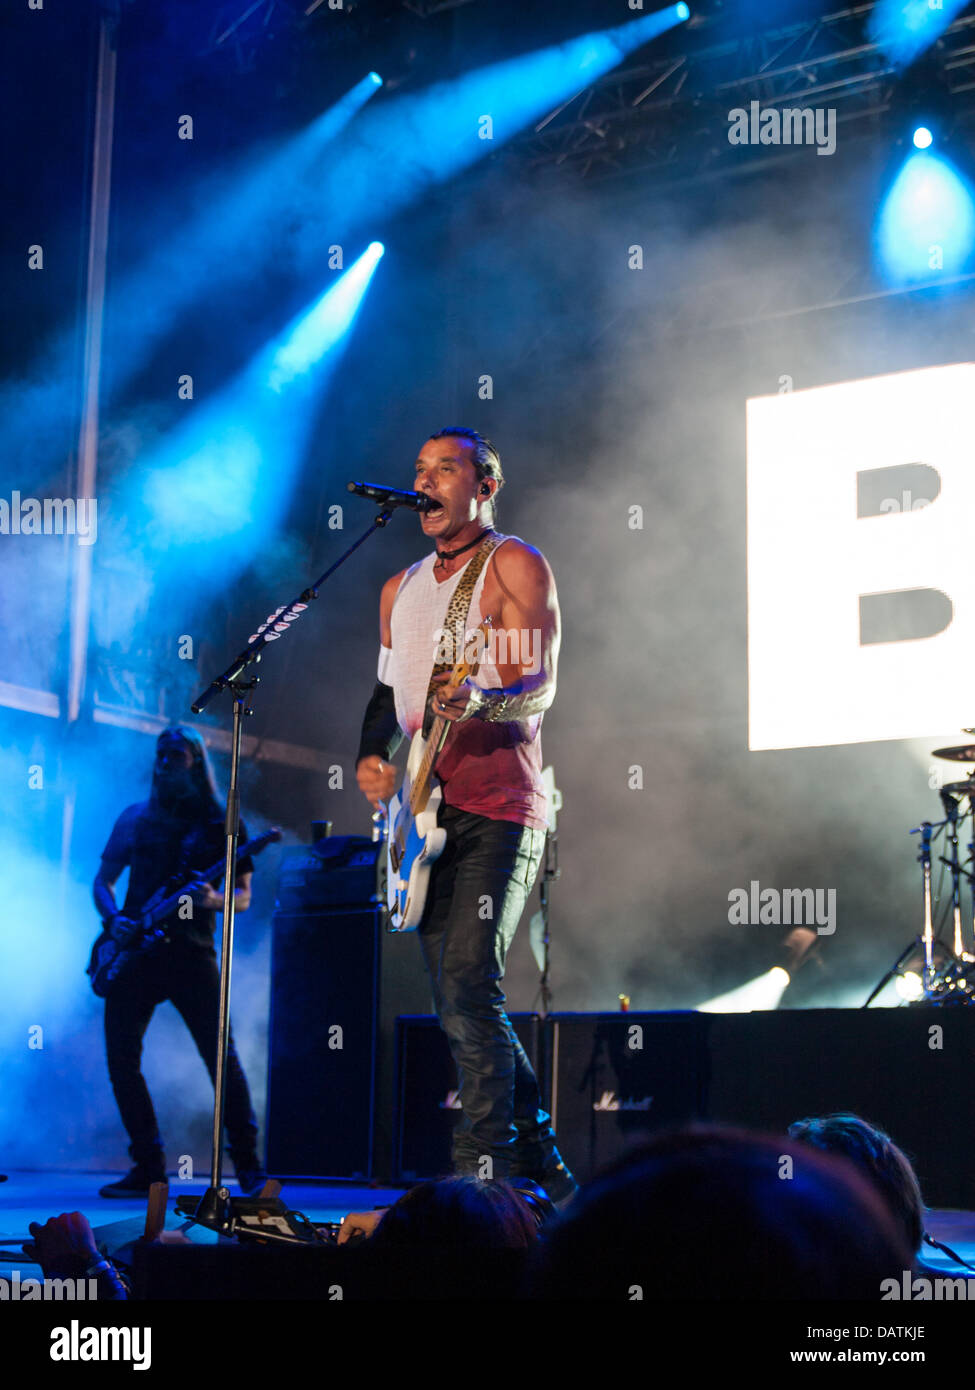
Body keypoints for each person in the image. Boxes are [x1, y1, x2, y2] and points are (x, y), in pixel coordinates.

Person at [356, 427, 576, 1202]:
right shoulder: (399, 587)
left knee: (466, 981)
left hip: (500, 803)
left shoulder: (513, 561)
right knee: (457, 999)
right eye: (417, 469)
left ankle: (485, 1180)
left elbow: (541, 683)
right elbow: (388, 694)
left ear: (483, 484)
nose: (424, 481)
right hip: (423, 810)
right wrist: (371, 757)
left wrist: (483, 697)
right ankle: (544, 1171)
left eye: (443, 468)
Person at [92, 725, 266, 1197]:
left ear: (196, 760)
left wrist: (212, 899)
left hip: (191, 954)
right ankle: (148, 1168)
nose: (166, 762)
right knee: (121, 1062)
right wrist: (113, 923)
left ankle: (249, 1166)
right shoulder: (134, 818)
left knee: (221, 1059)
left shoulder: (221, 822)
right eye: (161, 755)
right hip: (135, 954)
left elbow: (245, 898)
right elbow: (102, 883)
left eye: (176, 755)